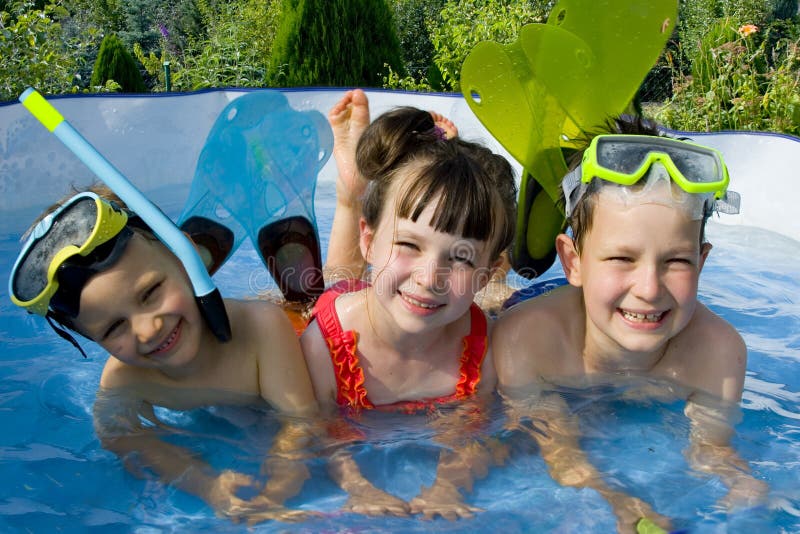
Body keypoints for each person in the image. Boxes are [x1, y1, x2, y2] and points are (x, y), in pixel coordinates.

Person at [491, 118, 768, 532]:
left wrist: (742, 484)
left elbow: (712, 450)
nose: (649, 289)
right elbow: (558, 449)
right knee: (492, 297)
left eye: (676, 261)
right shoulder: (525, 339)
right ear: (573, 261)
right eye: (622, 258)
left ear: (702, 262)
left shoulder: (719, 353)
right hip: (543, 303)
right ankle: (498, 268)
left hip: (596, 305)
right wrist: (612, 497)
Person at [8, 185, 319, 524]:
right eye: (114, 328)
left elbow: (303, 421)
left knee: (315, 305)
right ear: (94, 340)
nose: (147, 330)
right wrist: (205, 484)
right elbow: (119, 436)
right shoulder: (125, 379)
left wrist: (280, 483)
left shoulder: (262, 330)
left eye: (150, 292)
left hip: (297, 335)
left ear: (186, 255)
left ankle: (345, 203)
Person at [301, 97, 517, 518]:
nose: (430, 276)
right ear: (369, 240)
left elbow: (478, 432)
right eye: (409, 245)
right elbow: (316, 434)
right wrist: (357, 487)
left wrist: (449, 486)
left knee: (498, 297)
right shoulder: (322, 347)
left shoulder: (487, 345)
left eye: (460, 257)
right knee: (331, 283)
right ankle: (350, 195)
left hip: (402, 289)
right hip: (354, 302)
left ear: (484, 274)